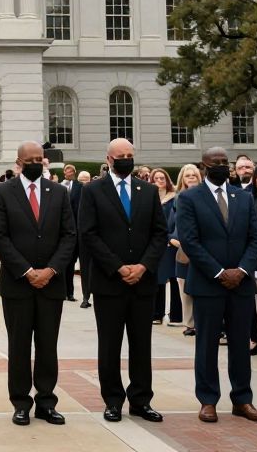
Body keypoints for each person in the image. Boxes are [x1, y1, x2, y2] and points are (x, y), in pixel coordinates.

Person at [78, 139, 167, 423]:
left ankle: (141, 400)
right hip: (108, 282)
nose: (126, 159)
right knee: (110, 344)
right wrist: (118, 267)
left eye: (130, 155)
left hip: (142, 282)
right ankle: (113, 400)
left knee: (142, 344)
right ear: (109, 159)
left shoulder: (149, 191)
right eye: (121, 156)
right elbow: (88, 233)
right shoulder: (92, 190)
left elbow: (159, 233)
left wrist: (143, 266)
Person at [175, 146, 257, 424]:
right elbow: (190, 241)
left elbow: (255, 237)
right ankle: (208, 400)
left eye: (226, 162)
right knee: (207, 344)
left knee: (240, 343)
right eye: (216, 163)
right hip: (207, 283)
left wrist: (241, 270)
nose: (222, 167)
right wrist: (218, 272)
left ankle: (243, 399)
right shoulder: (190, 198)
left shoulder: (243, 197)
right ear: (204, 166)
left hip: (241, 283)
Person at [0, 140, 76, 427]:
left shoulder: (59, 192)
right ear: (19, 163)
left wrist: (51, 270)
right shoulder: (2, 192)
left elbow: (69, 235)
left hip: (51, 283)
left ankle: (47, 402)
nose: (37, 163)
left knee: (48, 345)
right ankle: (21, 403)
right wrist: (27, 271)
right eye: (31, 160)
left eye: (41, 159)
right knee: (20, 345)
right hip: (17, 284)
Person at [171, 164, 202, 337]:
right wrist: (174, 240)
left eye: (194, 175)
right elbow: (170, 226)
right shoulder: (178, 199)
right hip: (183, 250)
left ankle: (203, 322)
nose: (191, 178)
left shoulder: (207, 197)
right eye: (187, 175)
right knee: (185, 289)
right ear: (182, 178)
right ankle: (190, 324)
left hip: (203, 249)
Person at [151, 168, 182, 326]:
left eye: (162, 178)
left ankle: (177, 314)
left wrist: (171, 237)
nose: (160, 181)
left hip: (171, 240)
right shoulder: (149, 196)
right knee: (158, 278)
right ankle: (157, 314)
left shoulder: (174, 197)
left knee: (174, 277)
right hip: (156, 242)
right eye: (156, 178)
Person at [62, 164, 84, 303]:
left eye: (69, 170)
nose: (67, 172)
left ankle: (70, 293)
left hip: (75, 229)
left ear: (74, 172)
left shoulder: (79, 186)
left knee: (71, 263)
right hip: (62, 230)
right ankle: (63, 291)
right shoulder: (59, 186)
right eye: (65, 171)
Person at [76, 170, 94, 308]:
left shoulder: (96, 191)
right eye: (81, 180)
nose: (84, 182)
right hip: (82, 235)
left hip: (97, 236)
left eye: (86, 179)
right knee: (85, 267)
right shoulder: (74, 192)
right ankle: (85, 296)